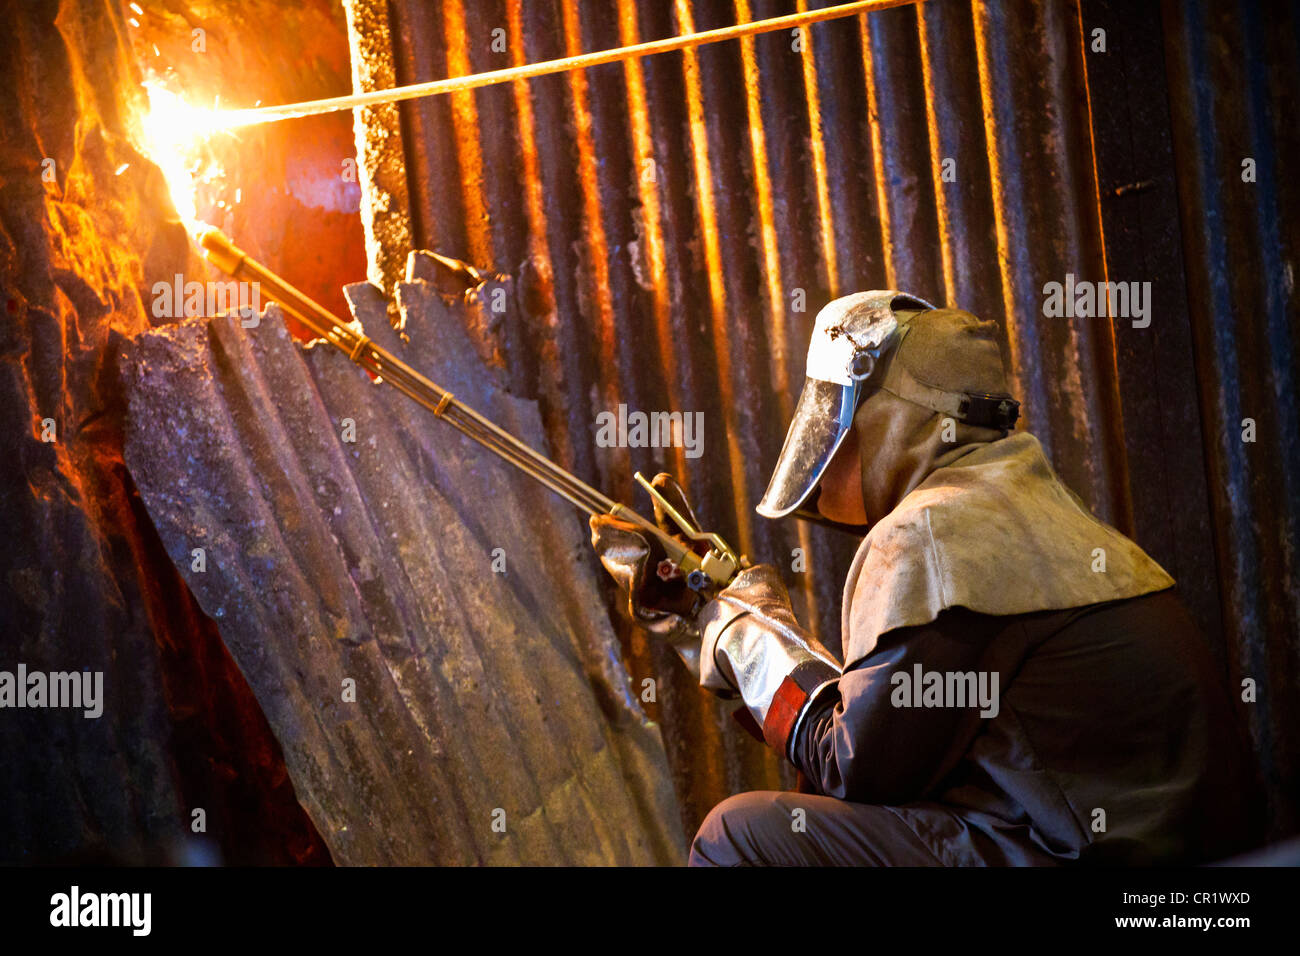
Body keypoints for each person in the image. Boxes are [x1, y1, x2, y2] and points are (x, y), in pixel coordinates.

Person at [591, 291, 1262, 867]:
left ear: (890, 417)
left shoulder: (935, 532)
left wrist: (742, 630)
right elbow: (894, 725)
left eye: (842, 418)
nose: (832, 454)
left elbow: (857, 767)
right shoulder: (1041, 518)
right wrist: (708, 615)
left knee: (741, 837)